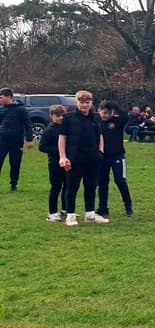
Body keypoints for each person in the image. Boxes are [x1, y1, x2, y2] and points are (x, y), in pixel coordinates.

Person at [58, 90, 107, 226]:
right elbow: (62, 138)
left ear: (91, 103)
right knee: (72, 187)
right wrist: (62, 157)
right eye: (81, 102)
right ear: (76, 102)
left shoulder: (96, 117)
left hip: (93, 157)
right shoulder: (68, 118)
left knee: (91, 186)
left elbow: (100, 135)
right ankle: (70, 215)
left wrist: (101, 151)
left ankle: (90, 214)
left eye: (87, 102)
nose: (84, 105)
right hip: (74, 158)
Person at [96, 102, 134, 218]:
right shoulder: (96, 122)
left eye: (109, 113)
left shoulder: (117, 121)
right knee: (102, 183)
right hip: (102, 157)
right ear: (99, 111)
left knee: (120, 181)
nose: (106, 116)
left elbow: (126, 116)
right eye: (104, 113)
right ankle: (103, 208)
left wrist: (112, 104)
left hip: (117, 156)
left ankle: (128, 207)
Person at [0, 87, 34, 192]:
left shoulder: (20, 109)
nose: (0, 99)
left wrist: (29, 139)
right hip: (2, 140)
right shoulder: (1, 109)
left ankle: (13, 185)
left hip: (16, 141)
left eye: (1, 97)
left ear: (9, 97)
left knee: (15, 163)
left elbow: (28, 124)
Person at [39, 105, 67, 221]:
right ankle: (52, 212)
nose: (60, 118)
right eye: (57, 116)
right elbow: (42, 147)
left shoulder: (66, 128)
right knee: (56, 187)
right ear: (51, 116)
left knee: (68, 186)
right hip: (54, 162)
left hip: (67, 162)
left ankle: (66, 209)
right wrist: (59, 149)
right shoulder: (49, 130)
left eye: (62, 116)